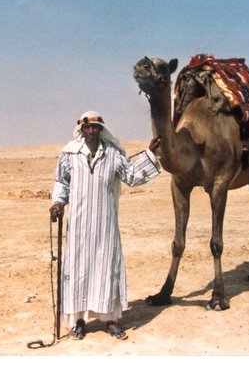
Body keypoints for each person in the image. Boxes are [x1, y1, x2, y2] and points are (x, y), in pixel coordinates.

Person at [49, 110, 162, 340]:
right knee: (78, 270)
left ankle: (110, 320)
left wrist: (150, 153)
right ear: (81, 130)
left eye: (96, 127)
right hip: (78, 226)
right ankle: (79, 321)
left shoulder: (113, 154)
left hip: (105, 225)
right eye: (87, 128)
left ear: (102, 130)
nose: (91, 131)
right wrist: (58, 203)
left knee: (106, 269)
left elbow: (131, 176)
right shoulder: (69, 154)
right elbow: (62, 182)